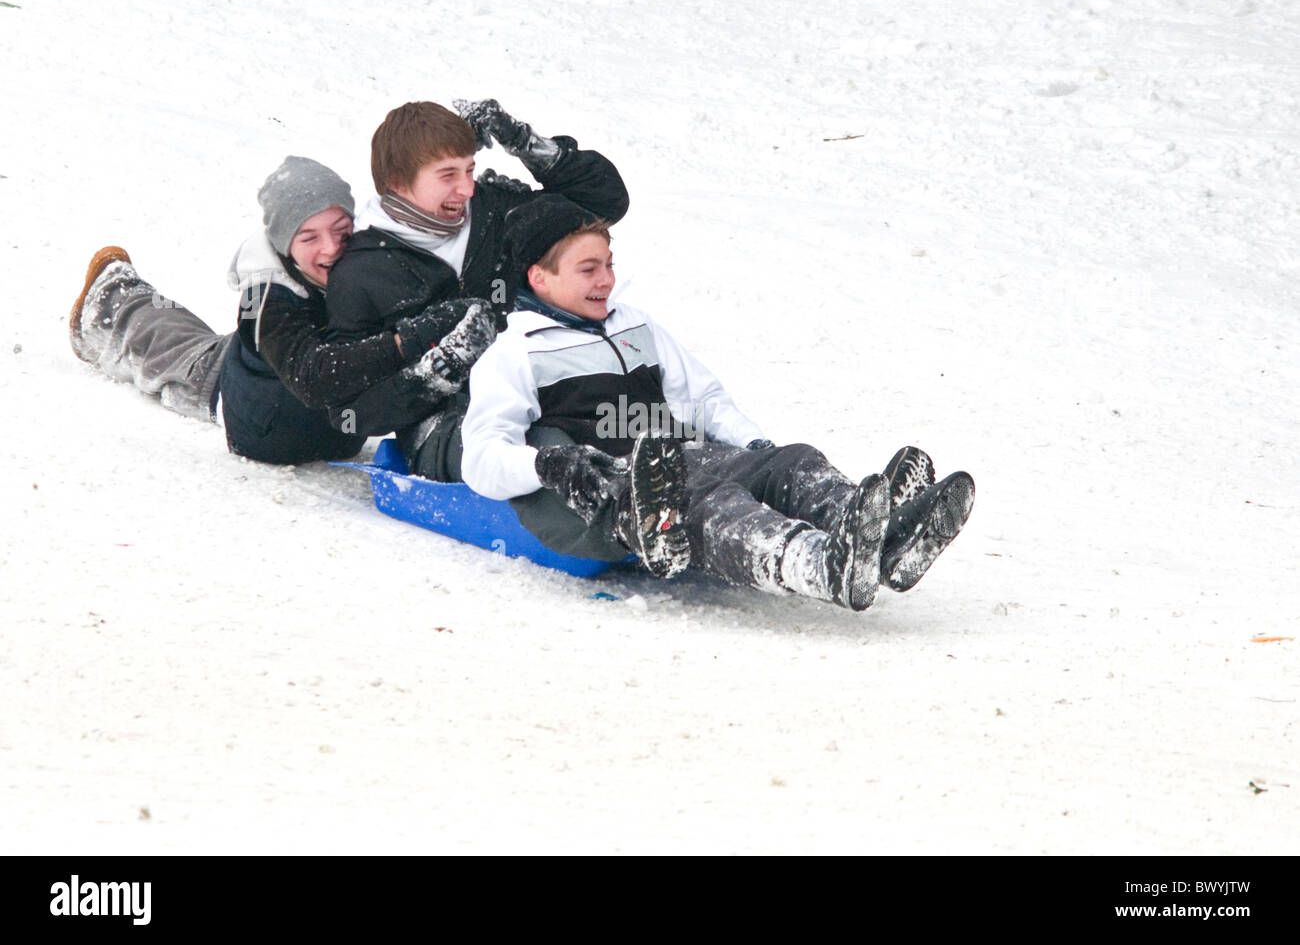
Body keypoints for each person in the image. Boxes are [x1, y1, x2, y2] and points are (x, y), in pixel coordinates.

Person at [459, 196, 975, 611]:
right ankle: (818, 563)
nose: (606, 280)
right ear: (539, 278)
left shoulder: (634, 325)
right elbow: (481, 458)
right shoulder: (517, 353)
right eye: (588, 269)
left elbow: (701, 396)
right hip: (630, 485)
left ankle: (884, 540)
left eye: (609, 264)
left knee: (791, 463)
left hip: (684, 451)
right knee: (710, 503)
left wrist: (756, 446)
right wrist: (547, 463)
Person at [69, 156, 487, 465]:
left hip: (287, 351)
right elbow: (313, 376)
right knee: (169, 347)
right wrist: (406, 340)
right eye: (309, 237)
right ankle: (112, 296)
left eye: (341, 231)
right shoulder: (264, 297)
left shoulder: (363, 264)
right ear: (285, 242)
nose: (330, 248)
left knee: (222, 342)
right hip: (236, 389)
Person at [317, 99, 630, 482]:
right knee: (550, 447)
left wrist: (522, 140)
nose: (466, 188)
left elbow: (604, 202)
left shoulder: (493, 211)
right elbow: (349, 414)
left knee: (630, 418)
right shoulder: (361, 272)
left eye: (469, 169)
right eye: (448, 175)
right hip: (449, 429)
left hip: (537, 391)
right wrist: (440, 368)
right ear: (398, 182)